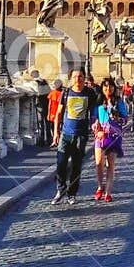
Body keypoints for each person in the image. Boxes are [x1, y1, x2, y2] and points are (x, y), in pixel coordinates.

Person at [54, 68, 94, 205]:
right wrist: (56, 133)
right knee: (61, 163)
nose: (78, 79)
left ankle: (72, 193)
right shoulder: (66, 92)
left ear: (84, 78)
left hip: (81, 135)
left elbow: (93, 113)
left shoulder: (89, 93)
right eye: (76, 76)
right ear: (71, 78)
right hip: (66, 134)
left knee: (76, 166)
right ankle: (60, 189)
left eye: (81, 76)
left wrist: (95, 125)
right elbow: (59, 113)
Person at [93, 76, 130, 202]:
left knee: (111, 165)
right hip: (101, 135)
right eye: (105, 86)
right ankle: (100, 186)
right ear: (102, 88)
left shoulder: (118, 102)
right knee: (99, 164)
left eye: (110, 86)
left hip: (114, 136)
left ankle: (108, 191)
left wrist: (118, 118)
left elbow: (126, 118)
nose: (108, 89)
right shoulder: (98, 102)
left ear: (114, 88)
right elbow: (94, 119)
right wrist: (97, 130)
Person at [46, 79, 65, 146]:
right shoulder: (63, 93)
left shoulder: (52, 93)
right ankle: (59, 139)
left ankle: (55, 139)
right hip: (60, 112)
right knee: (59, 127)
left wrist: (48, 113)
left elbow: (49, 105)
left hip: (53, 113)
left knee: (53, 127)